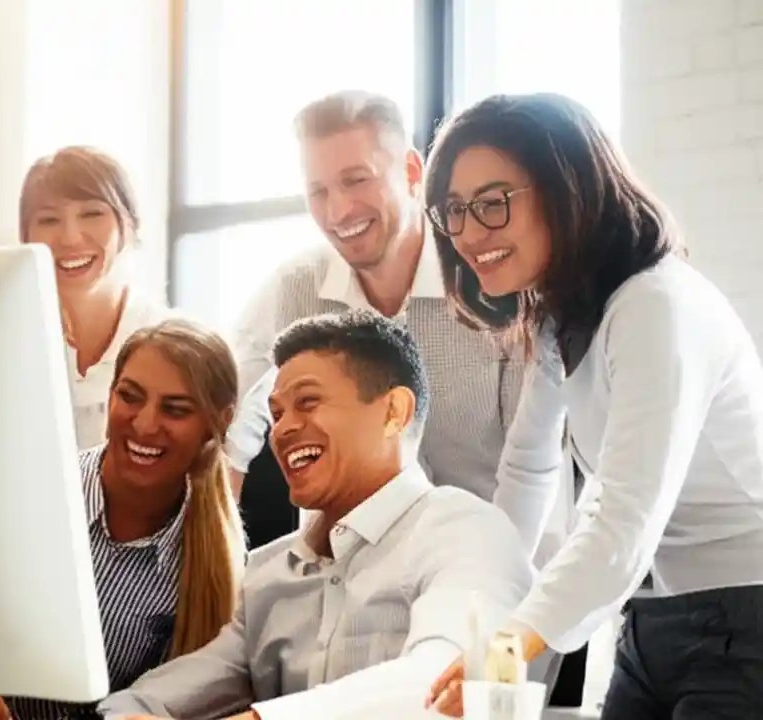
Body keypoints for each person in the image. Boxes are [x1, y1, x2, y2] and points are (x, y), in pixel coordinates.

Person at [424, 93, 763, 719]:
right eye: (454, 211)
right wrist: (489, 598)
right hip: (652, 617)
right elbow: (527, 471)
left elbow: (623, 513)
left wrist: (511, 642)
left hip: (746, 615)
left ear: (567, 188)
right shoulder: (561, 319)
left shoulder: (653, 305)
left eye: (493, 203)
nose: (469, 233)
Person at [99, 312, 534, 720]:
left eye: (307, 402)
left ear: (392, 412)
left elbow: (444, 684)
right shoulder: (268, 575)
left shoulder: (468, 533)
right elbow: (148, 699)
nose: (282, 429)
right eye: (276, 413)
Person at [226, 92, 567, 549]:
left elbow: (529, 468)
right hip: (357, 582)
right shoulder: (296, 289)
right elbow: (225, 416)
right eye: (318, 191)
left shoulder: (490, 279)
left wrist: (490, 583)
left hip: (504, 566)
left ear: (411, 172)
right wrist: (217, 545)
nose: (338, 211)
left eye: (356, 180)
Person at [0, 318, 246, 720]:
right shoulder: (27, 492)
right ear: (110, 396)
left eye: (175, 409)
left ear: (218, 421)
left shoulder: (210, 564)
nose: (145, 424)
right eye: (130, 397)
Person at [20, 146, 170, 449]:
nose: (70, 238)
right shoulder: (11, 340)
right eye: (49, 220)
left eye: (92, 214)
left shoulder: (171, 340)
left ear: (128, 224)